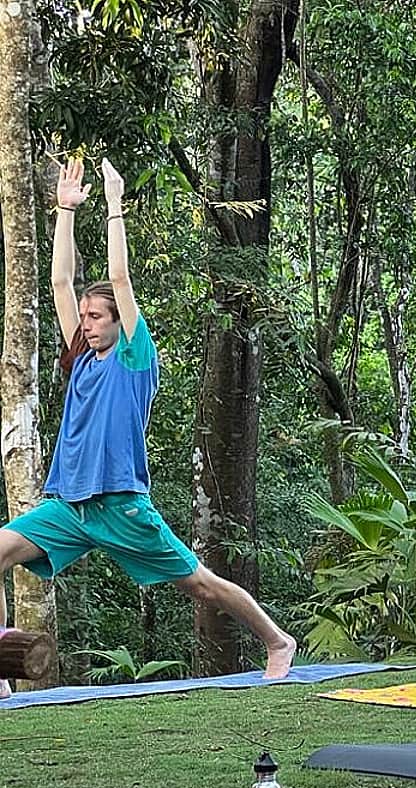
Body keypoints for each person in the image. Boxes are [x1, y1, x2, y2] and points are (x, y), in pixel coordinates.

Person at [0, 158, 296, 700]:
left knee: (200, 585)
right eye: (83, 317)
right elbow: (59, 281)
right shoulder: (81, 359)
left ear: (118, 322)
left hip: (122, 507)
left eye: (96, 318)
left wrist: (114, 207)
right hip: (71, 507)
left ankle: (278, 641)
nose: (85, 324)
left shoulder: (135, 358)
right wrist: (65, 209)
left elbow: (120, 278)